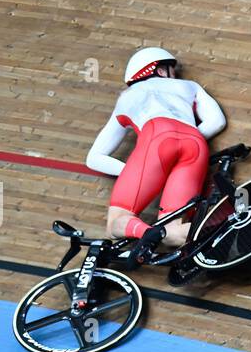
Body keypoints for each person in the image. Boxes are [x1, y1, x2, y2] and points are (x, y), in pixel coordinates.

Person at [86, 47, 227, 262]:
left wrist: (135, 172)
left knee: (115, 224)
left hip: (156, 140)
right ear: (161, 71)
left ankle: (150, 233)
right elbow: (217, 122)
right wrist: (190, 138)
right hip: (195, 144)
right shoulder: (189, 86)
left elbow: (94, 158)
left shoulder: (127, 96)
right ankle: (234, 226)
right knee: (174, 231)